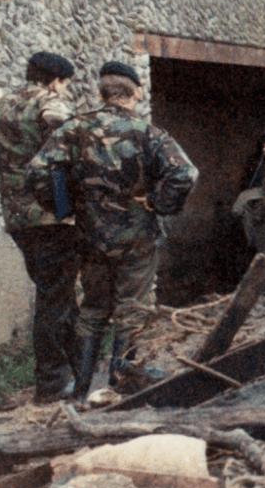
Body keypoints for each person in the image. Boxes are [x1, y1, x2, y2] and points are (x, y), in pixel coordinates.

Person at [27, 61, 198, 400]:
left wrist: (64, 206)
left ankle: (81, 391)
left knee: (92, 312)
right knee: (132, 311)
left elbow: (39, 172)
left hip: (91, 238)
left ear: (99, 94)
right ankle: (122, 389)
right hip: (137, 239)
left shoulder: (73, 129)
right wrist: (157, 202)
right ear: (136, 93)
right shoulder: (149, 133)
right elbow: (185, 173)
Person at [0, 51, 81, 403]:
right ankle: (51, 382)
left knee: (59, 293)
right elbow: (65, 126)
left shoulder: (1, 107)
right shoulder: (49, 102)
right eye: (65, 84)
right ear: (55, 80)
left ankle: (79, 369)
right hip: (53, 217)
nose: (64, 90)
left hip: (19, 220)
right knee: (55, 298)